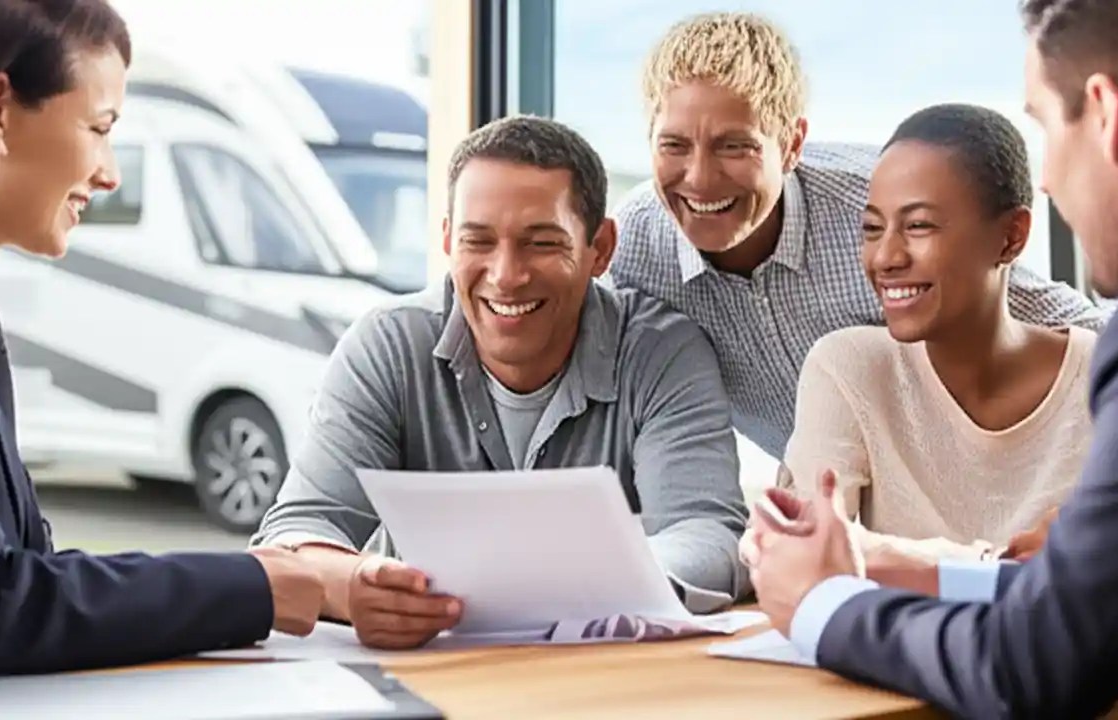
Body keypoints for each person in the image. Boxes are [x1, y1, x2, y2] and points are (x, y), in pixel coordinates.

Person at [748, 0, 1118, 716]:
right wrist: (950, 572)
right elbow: (1109, 599)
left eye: (1048, 127)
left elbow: (1032, 666)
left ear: (1106, 112)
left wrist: (821, 604)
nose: (1047, 177)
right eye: (873, 228)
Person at [0, 0, 325, 677]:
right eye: (99, 129)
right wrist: (257, 588)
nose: (110, 174)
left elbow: (24, 569)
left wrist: (261, 579)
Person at [251, 115, 749, 650]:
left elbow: (706, 532)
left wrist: (590, 590)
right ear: (448, 239)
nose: (506, 275)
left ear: (600, 248)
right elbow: (296, 533)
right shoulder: (387, 346)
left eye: (541, 243)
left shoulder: (662, 352)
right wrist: (351, 585)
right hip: (428, 671)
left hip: (598, 674)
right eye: (478, 241)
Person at [609, 11, 1108, 463]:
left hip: (972, 474)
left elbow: (1071, 324)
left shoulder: (880, 208)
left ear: (791, 144)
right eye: (674, 145)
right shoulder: (633, 249)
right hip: (828, 495)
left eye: (734, 147)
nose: (699, 178)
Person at [771, 104, 1094, 577]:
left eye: (919, 225)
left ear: (1011, 237)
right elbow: (804, 552)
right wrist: (993, 565)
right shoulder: (848, 368)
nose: (885, 257)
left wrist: (891, 560)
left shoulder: (1108, 378)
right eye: (872, 229)